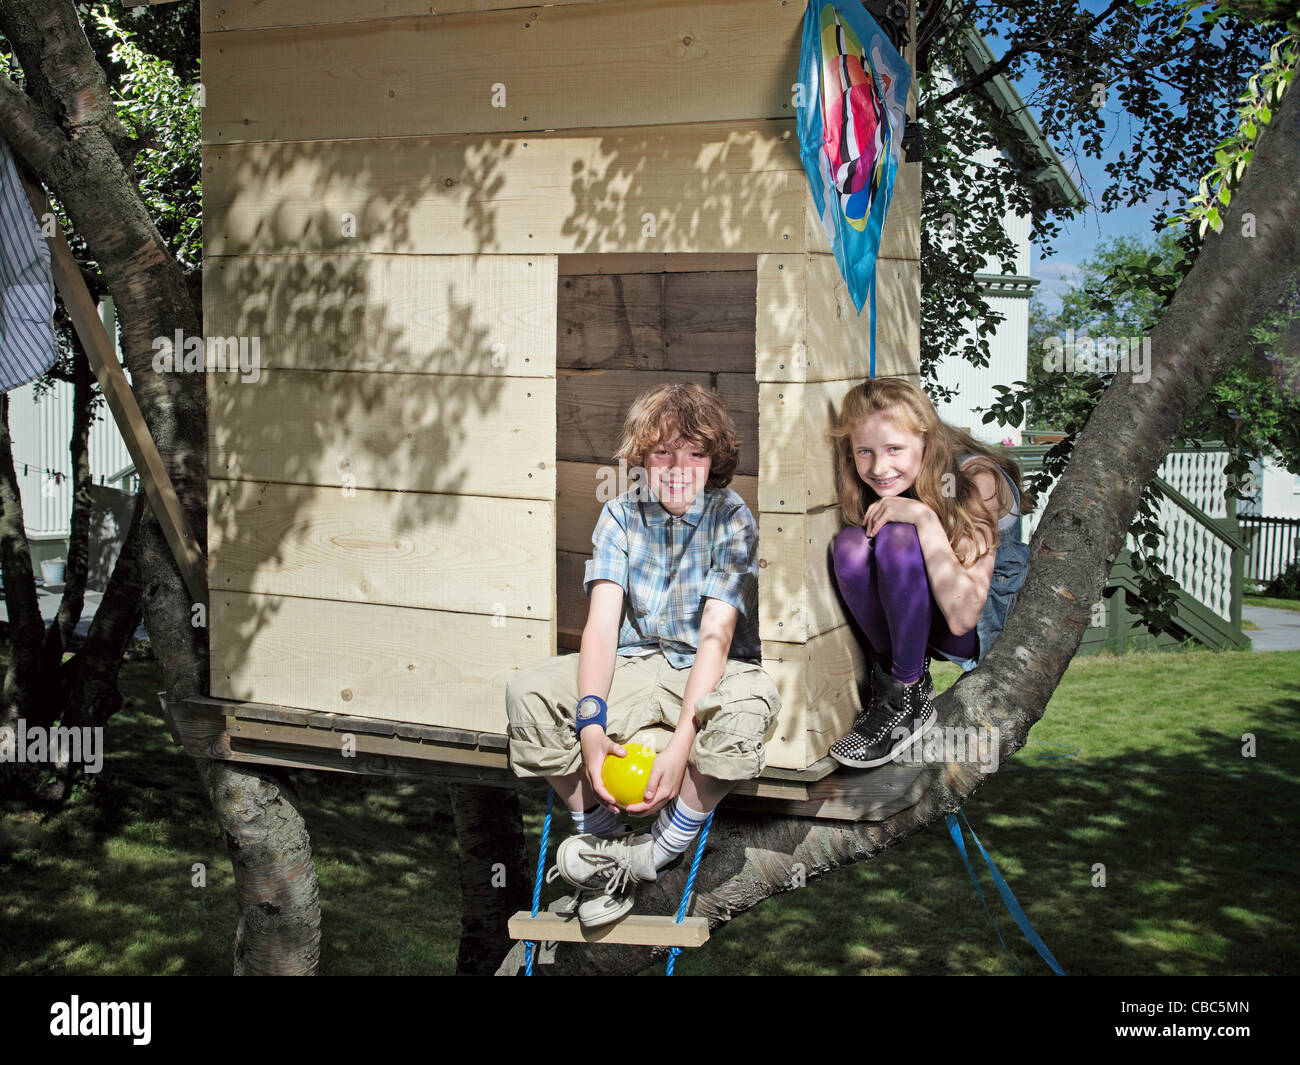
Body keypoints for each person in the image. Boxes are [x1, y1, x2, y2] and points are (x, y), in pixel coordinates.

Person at [506, 383, 781, 927]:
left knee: (748, 709)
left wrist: (682, 744)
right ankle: (602, 847)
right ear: (642, 457)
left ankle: (652, 856)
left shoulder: (731, 517)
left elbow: (716, 637)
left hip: (710, 667)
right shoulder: (619, 514)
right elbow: (603, 626)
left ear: (714, 461)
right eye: (663, 452)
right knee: (528, 693)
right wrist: (590, 730)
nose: (679, 468)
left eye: (696, 454)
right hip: (636, 662)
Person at [827, 378, 1032, 769]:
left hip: (970, 622)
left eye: (894, 449)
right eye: (864, 452)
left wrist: (923, 517)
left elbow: (962, 616)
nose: (878, 467)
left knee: (899, 539)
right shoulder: (869, 475)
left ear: (926, 440)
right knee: (851, 546)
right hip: (912, 619)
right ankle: (899, 689)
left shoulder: (975, 480)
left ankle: (905, 691)